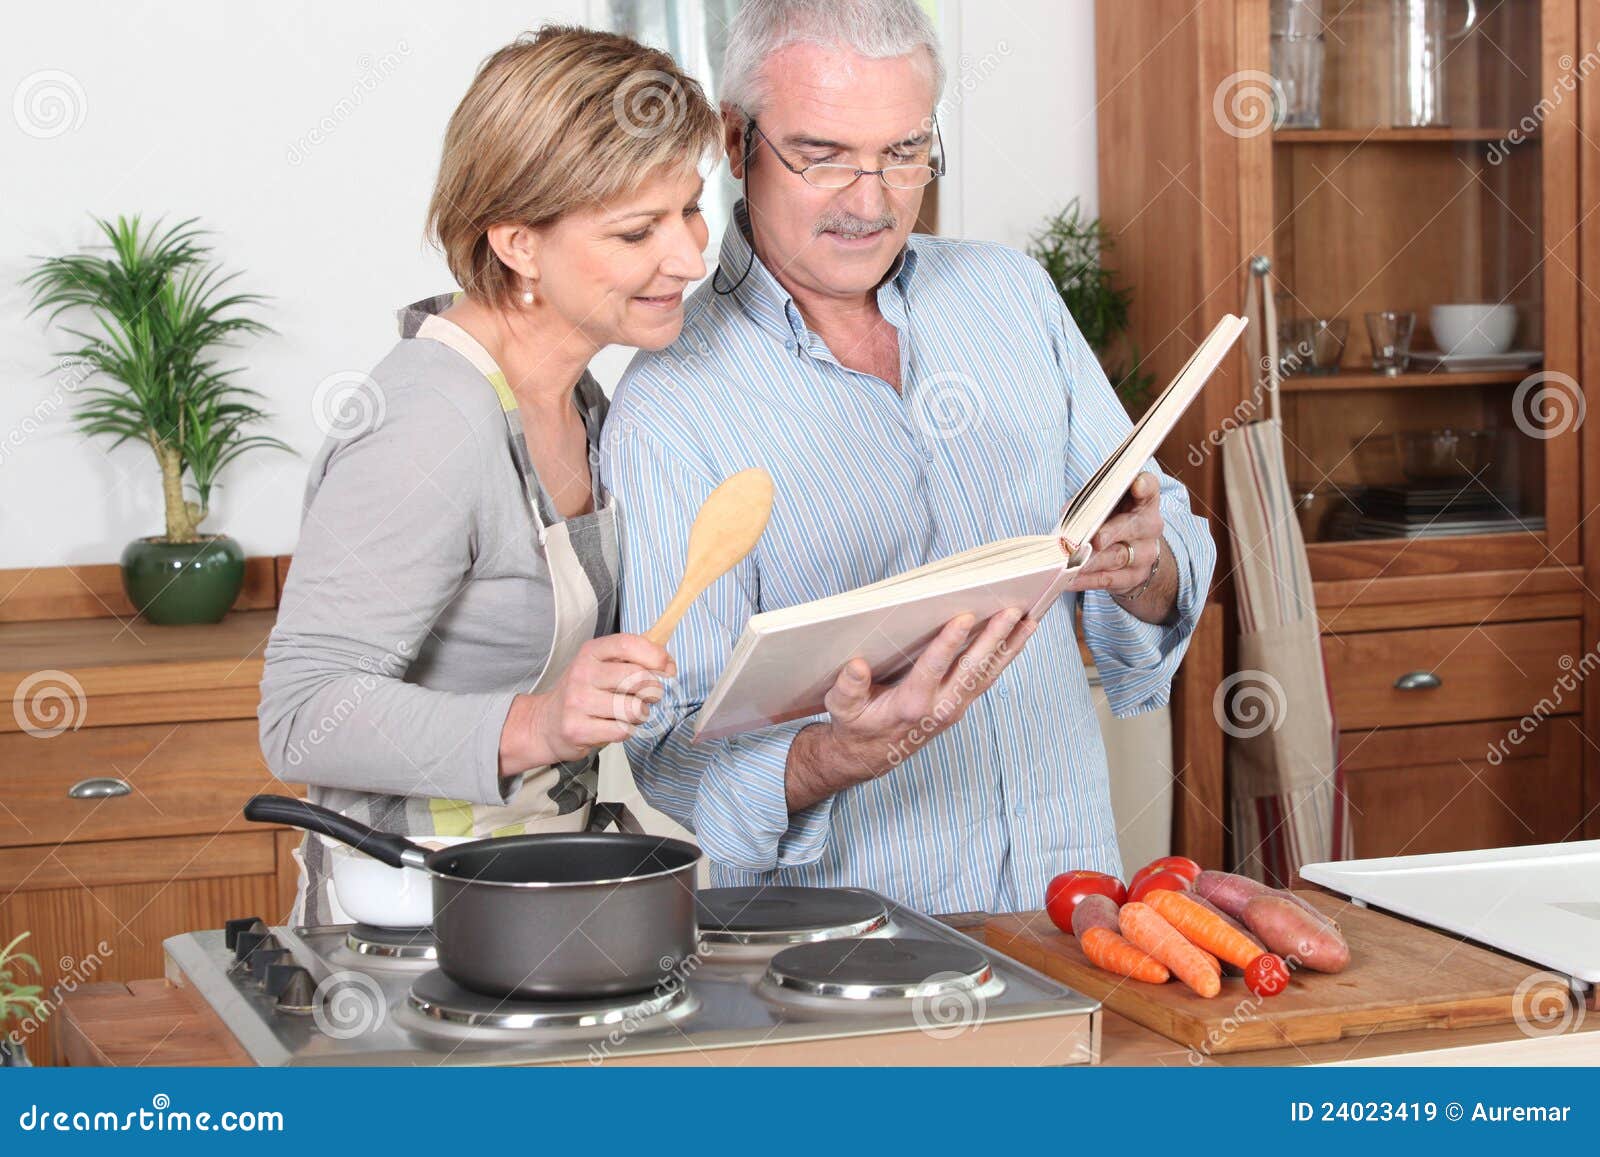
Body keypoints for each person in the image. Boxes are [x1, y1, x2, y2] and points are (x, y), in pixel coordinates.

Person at [600, 0, 1217, 916]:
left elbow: (1168, 566)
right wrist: (836, 753)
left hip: (1071, 908)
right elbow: (670, 755)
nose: (870, 199)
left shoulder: (1012, 296)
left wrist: (1143, 565)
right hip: (839, 958)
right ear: (737, 144)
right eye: (822, 155)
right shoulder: (670, 402)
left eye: (903, 152)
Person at [259, 26, 721, 924]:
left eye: (691, 209)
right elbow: (301, 715)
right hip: (404, 915)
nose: (690, 257)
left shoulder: (578, 398)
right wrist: (539, 724)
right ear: (516, 242)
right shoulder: (428, 422)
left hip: (534, 899)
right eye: (638, 231)